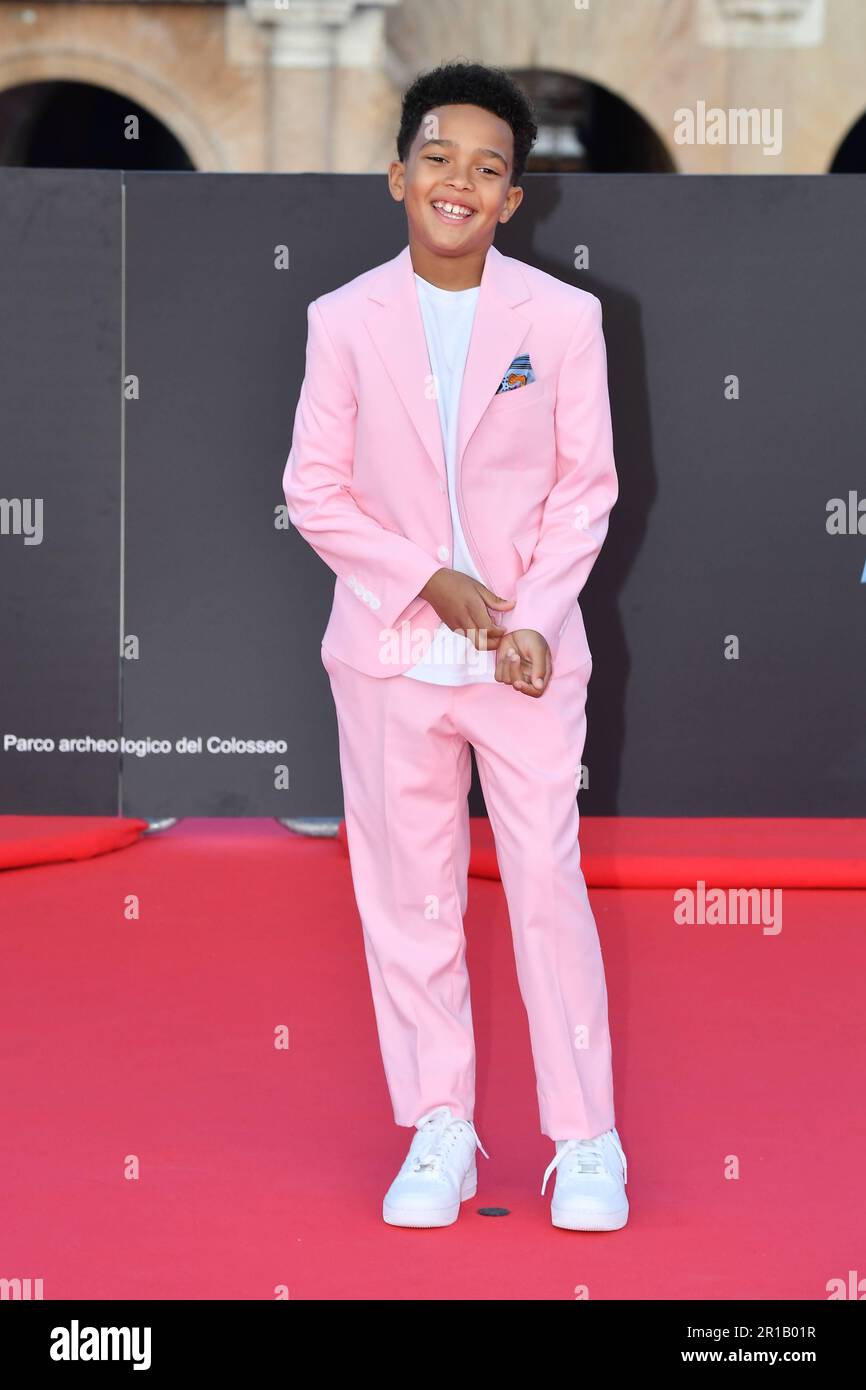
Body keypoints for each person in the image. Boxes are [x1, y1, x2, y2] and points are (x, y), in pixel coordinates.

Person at [282, 60, 627, 1231]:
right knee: (409, 899)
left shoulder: (562, 321)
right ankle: (439, 1127)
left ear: (511, 197)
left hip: (523, 662)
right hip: (388, 656)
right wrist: (424, 580)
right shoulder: (341, 320)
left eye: (486, 168)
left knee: (544, 889)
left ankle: (585, 1137)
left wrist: (528, 621)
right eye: (436, 158)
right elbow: (314, 490)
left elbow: (584, 492)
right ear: (398, 174)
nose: (457, 182)